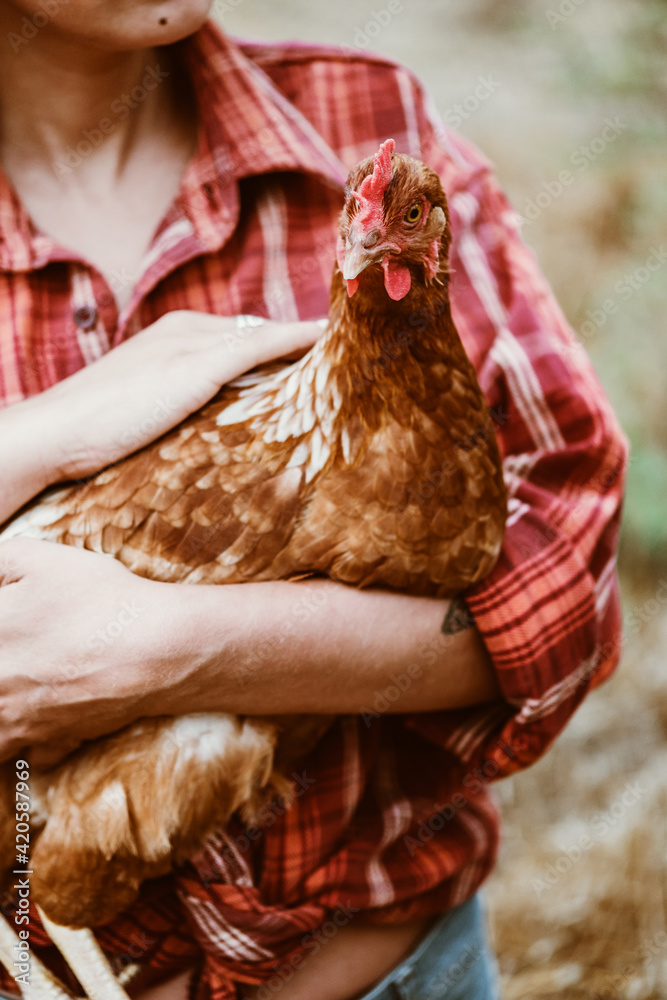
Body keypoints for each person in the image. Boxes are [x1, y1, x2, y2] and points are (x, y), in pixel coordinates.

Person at [0, 2, 628, 999]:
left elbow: (570, 591)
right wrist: (32, 439)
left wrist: (161, 648)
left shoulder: (367, 112)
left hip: (399, 972)